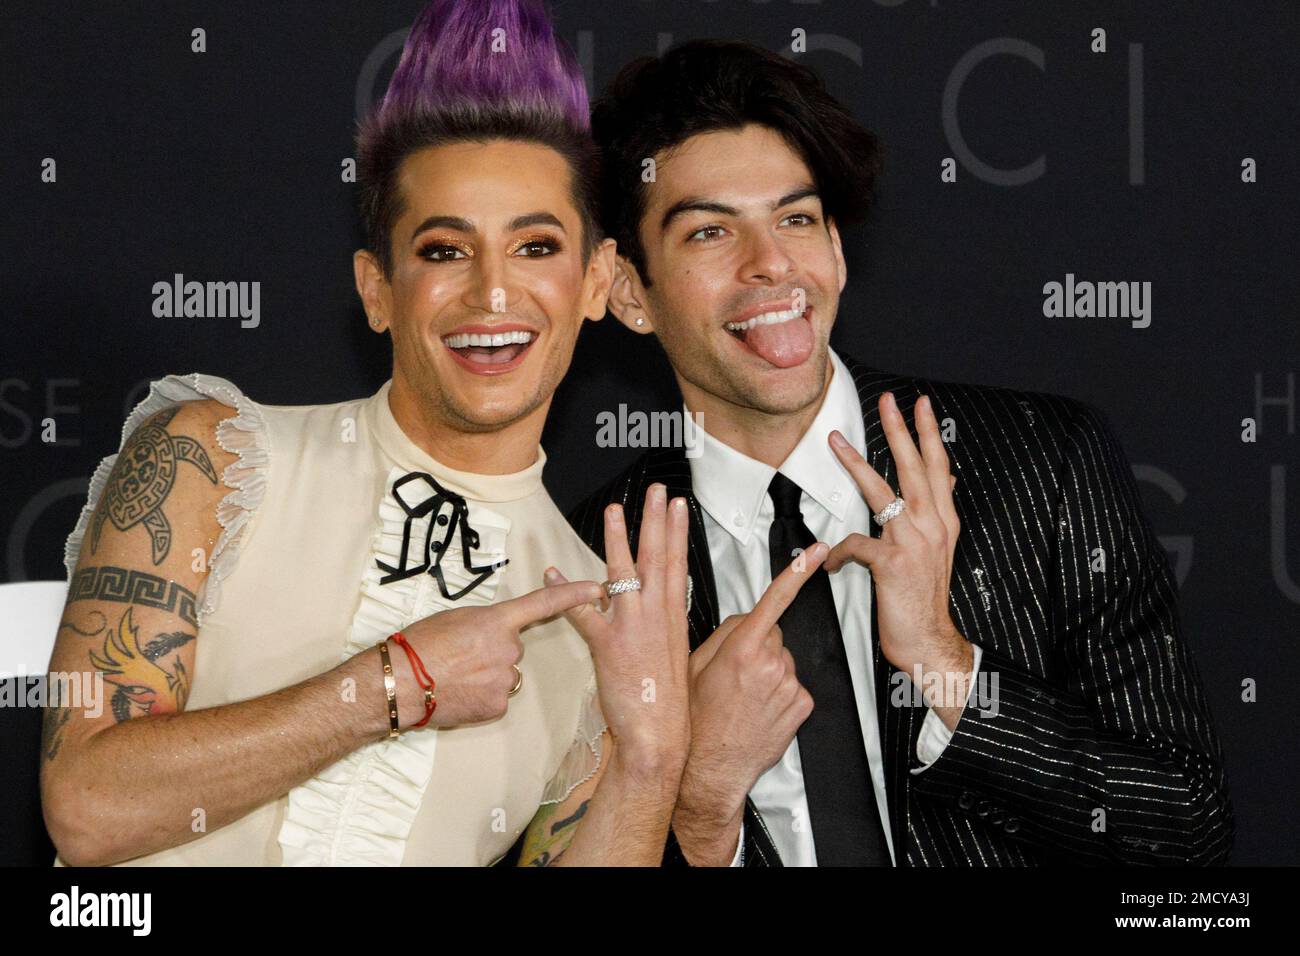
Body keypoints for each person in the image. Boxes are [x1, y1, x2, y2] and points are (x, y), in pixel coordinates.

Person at [40, 0, 694, 867]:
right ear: (377, 289)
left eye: (536, 247)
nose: (493, 294)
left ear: (597, 281)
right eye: (443, 250)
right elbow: (86, 807)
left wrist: (651, 761)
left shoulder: (595, 619)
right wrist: (394, 685)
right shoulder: (208, 458)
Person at [568, 39, 1235, 866]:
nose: (772, 264)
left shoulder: (1041, 463)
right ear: (632, 293)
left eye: (797, 219)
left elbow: (1187, 830)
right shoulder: (590, 564)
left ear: (838, 253)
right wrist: (702, 799)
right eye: (709, 232)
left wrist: (946, 663)